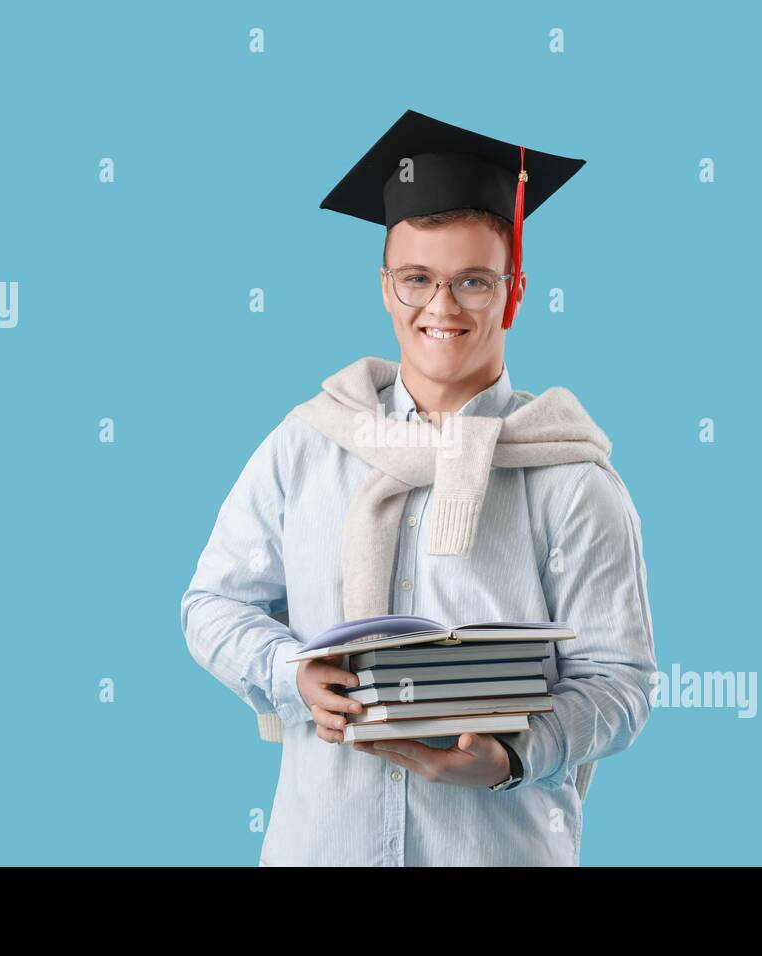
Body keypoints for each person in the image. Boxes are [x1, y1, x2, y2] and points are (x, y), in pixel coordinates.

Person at [181, 109, 657, 865]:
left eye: (472, 281)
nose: (441, 308)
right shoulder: (306, 444)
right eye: (417, 280)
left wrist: (513, 756)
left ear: (514, 291)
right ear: (385, 287)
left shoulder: (570, 478)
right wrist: (290, 673)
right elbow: (212, 604)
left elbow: (620, 680)